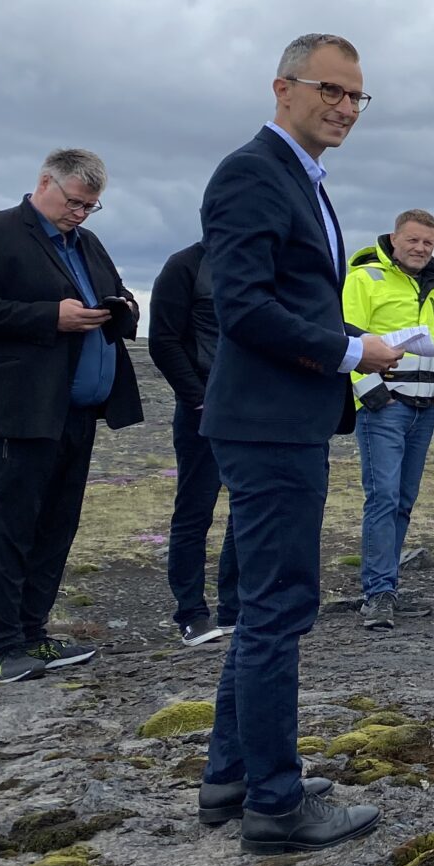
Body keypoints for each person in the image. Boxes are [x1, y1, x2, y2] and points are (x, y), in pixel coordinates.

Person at [197, 32, 394, 853]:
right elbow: (239, 307)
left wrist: (368, 338)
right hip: (268, 425)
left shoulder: (301, 178)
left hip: (281, 421)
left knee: (258, 608)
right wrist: (353, 351)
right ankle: (276, 806)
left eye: (357, 96)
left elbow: (290, 304)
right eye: (331, 91)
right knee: (280, 608)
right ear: (284, 88)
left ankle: (232, 777)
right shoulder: (253, 173)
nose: (345, 107)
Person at [0, 148, 144, 684]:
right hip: (9, 412)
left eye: (91, 207)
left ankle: (33, 634)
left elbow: (113, 294)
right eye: (75, 202)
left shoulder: (87, 243)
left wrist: (122, 308)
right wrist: (49, 316)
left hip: (71, 414)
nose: (80, 214)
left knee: (54, 527)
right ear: (45, 182)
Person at [344, 210, 434, 630]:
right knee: (383, 498)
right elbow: (346, 335)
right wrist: (368, 391)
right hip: (384, 407)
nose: (420, 249)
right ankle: (377, 594)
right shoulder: (364, 279)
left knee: (403, 501)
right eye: (413, 240)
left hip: (424, 409)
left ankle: (387, 586)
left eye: (428, 243)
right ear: (394, 238)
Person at [148, 237, 238, 646]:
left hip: (254, 408)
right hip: (203, 409)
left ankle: (236, 606)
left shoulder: (261, 263)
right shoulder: (185, 265)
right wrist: (198, 397)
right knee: (194, 510)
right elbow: (163, 340)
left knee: (249, 508)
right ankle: (191, 613)